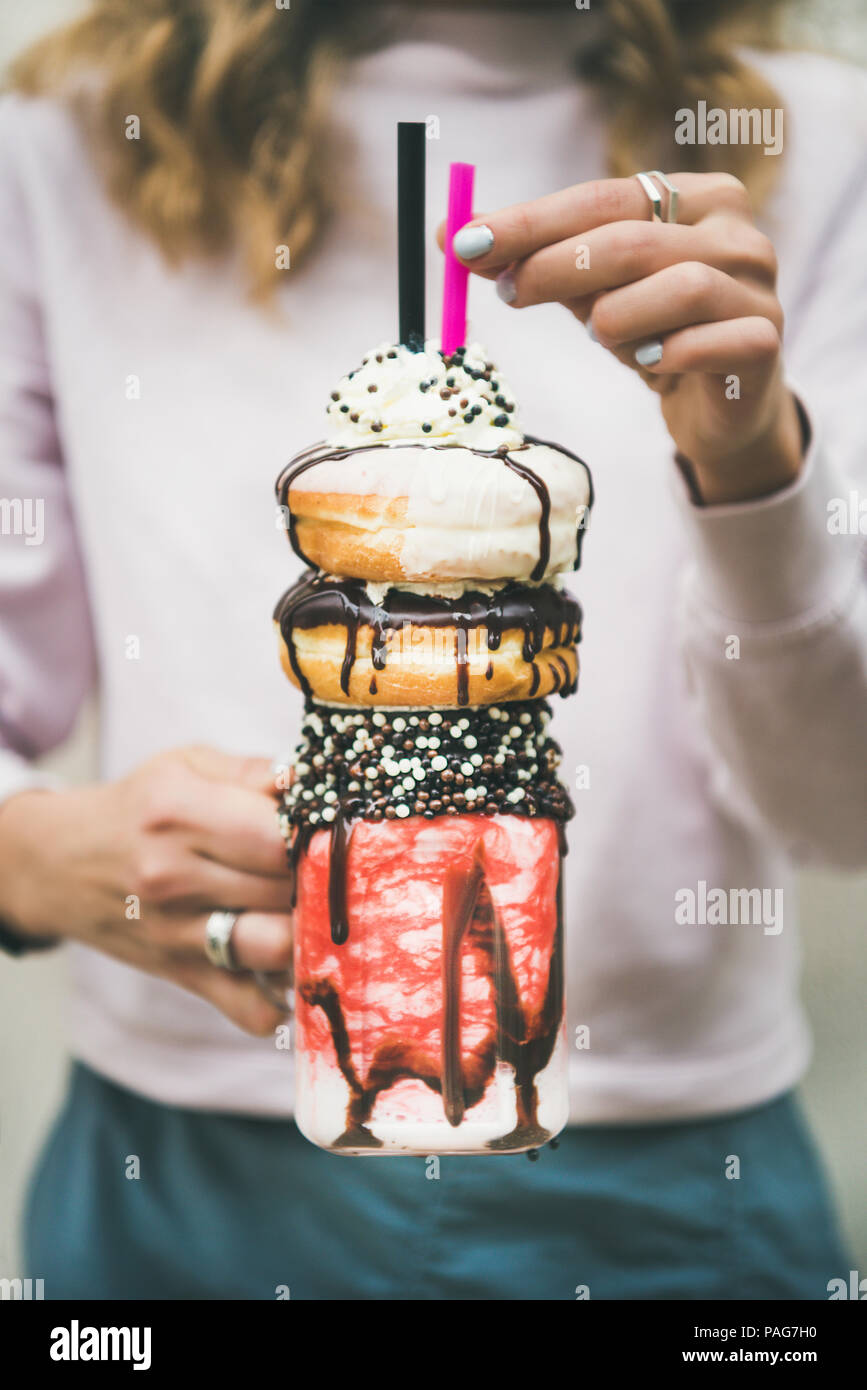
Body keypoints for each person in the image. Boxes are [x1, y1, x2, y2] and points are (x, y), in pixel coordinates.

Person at [0, 0, 864, 1300]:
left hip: (673, 1191)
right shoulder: (58, 151)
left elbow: (844, 808)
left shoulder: (812, 144)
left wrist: (753, 464)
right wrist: (24, 855)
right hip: (180, 1187)